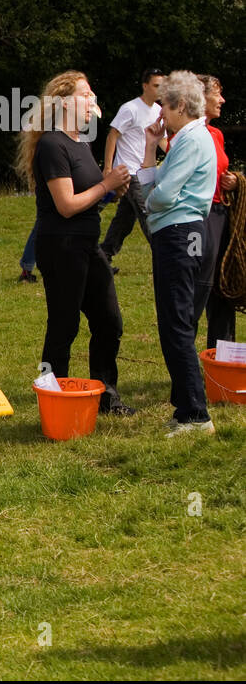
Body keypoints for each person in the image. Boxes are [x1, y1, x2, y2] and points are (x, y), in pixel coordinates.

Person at [17, 70, 134, 415]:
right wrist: (106, 183)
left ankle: (106, 396)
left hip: (86, 245)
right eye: (86, 95)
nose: (93, 101)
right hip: (61, 246)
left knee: (109, 321)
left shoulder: (81, 142)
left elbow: (89, 193)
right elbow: (66, 205)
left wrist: (112, 191)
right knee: (63, 326)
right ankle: (54, 399)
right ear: (64, 102)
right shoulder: (52, 144)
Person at [138, 70, 218, 436]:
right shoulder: (181, 139)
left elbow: (162, 194)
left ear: (181, 106)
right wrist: (150, 146)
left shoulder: (192, 139)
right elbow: (148, 179)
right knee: (176, 322)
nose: (160, 115)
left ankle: (196, 415)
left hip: (179, 233)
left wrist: (151, 206)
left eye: (164, 107)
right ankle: (186, 407)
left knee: (177, 324)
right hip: (179, 232)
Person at [100, 68, 166, 267]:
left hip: (144, 172)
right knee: (148, 214)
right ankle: (164, 258)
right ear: (145, 86)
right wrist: (108, 168)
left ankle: (103, 256)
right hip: (129, 172)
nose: (159, 90)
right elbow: (113, 136)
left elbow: (162, 140)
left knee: (124, 220)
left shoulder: (158, 111)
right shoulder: (130, 108)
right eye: (155, 86)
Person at [192, 74, 237, 349]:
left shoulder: (217, 134)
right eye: (216, 94)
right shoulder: (187, 135)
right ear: (201, 97)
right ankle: (184, 367)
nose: (221, 100)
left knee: (223, 287)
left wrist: (232, 181)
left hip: (221, 214)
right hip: (201, 216)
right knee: (200, 286)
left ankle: (222, 356)